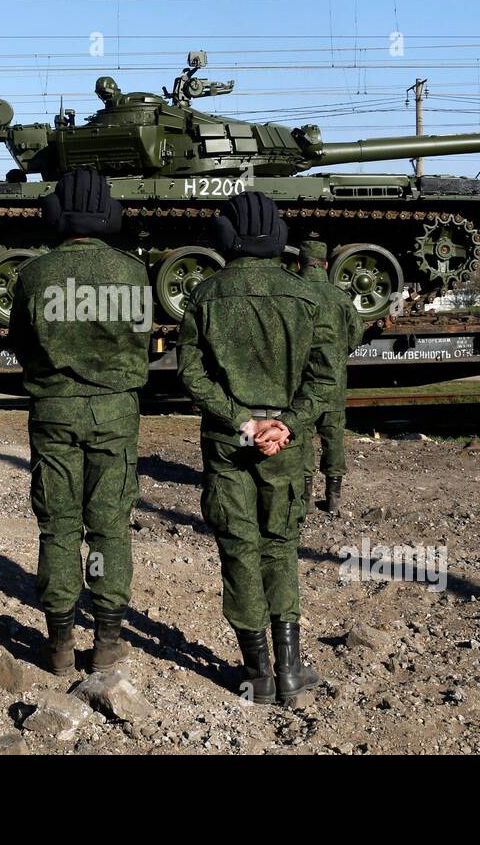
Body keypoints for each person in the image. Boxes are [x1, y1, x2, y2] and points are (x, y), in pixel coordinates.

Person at [178, 192, 337, 705]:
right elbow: (325, 378)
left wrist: (244, 422)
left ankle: (257, 674)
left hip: (230, 440)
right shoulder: (307, 298)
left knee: (239, 549)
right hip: (285, 446)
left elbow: (191, 374)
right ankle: (290, 672)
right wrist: (285, 425)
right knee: (281, 547)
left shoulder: (204, 296)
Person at [8, 168, 151, 675]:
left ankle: (61, 645)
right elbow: (141, 342)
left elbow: (21, 345)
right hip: (114, 410)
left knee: (59, 527)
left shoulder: (33, 275)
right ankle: (108, 640)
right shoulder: (133, 272)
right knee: (109, 526)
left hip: (54, 410)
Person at [298, 239, 364, 516]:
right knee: (333, 437)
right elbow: (355, 335)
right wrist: (337, 354)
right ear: (325, 264)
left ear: (300, 264)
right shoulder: (340, 297)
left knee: (301, 436)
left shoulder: (294, 293)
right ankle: (333, 496)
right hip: (334, 380)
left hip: (301, 382)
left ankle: (305, 499)